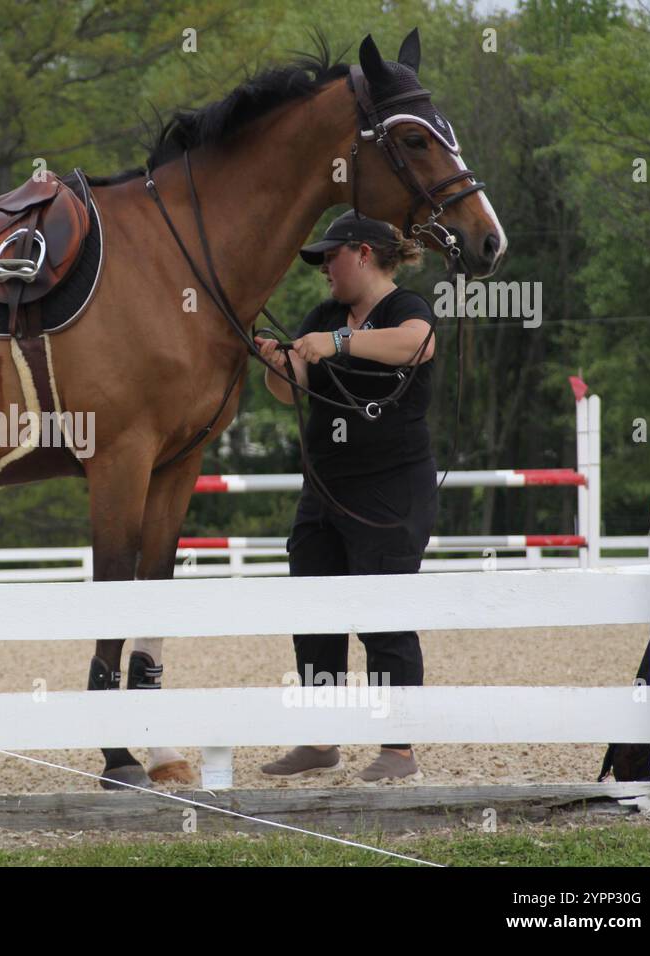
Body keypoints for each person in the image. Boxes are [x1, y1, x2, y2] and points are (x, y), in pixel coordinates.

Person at [255, 209, 438, 782]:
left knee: (384, 619)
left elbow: (418, 346)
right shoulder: (325, 314)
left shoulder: (405, 310)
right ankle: (320, 738)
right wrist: (278, 363)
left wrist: (336, 343)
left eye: (331, 257)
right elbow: (292, 392)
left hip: (390, 489)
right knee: (314, 614)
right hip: (324, 488)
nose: (324, 270)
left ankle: (397, 748)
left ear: (362, 254)